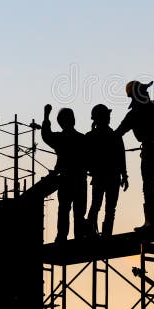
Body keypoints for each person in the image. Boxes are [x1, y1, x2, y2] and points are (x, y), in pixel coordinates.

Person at [114, 80, 154, 231]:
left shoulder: (134, 114)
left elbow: (117, 134)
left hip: (152, 153)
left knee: (150, 188)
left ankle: (152, 223)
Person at [41, 104, 89, 242]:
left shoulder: (61, 139)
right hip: (78, 179)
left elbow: (46, 135)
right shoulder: (82, 139)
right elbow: (90, 157)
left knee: (65, 210)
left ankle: (62, 236)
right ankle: (78, 236)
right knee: (77, 211)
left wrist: (46, 116)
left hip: (66, 179)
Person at [85, 104, 129, 237]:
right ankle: (105, 233)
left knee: (97, 206)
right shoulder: (113, 136)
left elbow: (121, 157)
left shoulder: (91, 136)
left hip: (103, 177)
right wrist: (124, 176)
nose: (109, 118)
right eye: (107, 115)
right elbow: (121, 157)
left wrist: (124, 175)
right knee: (107, 208)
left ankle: (93, 232)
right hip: (110, 177)